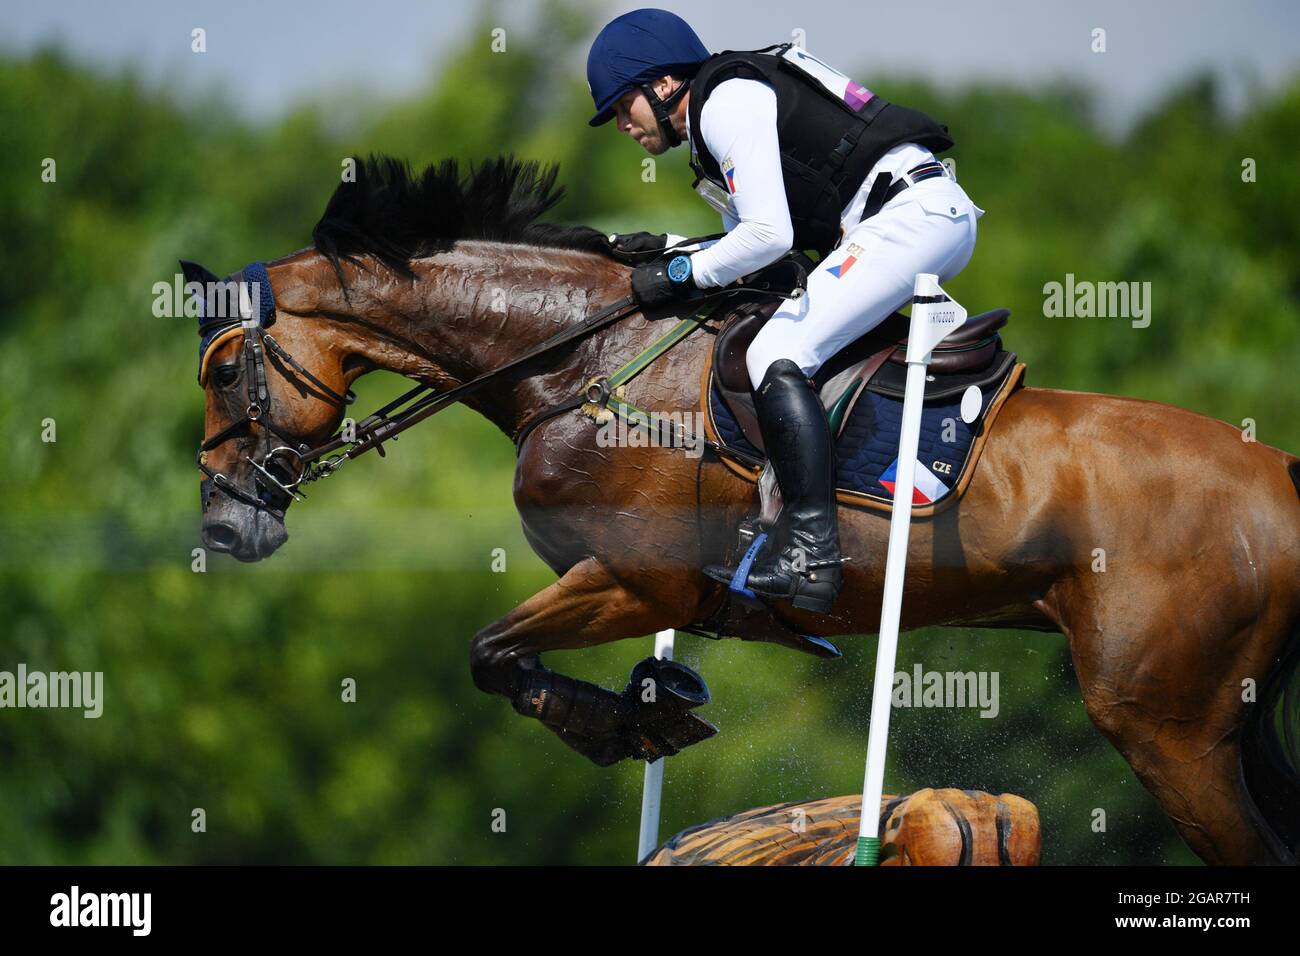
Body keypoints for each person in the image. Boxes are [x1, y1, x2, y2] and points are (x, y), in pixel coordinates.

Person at [587, 8, 983, 614]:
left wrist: (678, 274)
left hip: (911, 218)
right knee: (776, 334)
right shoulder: (719, 116)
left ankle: (809, 547)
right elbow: (758, 255)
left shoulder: (723, 104)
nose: (622, 126)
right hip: (902, 219)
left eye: (621, 106)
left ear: (662, 85)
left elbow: (768, 237)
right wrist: (669, 250)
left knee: (776, 350)